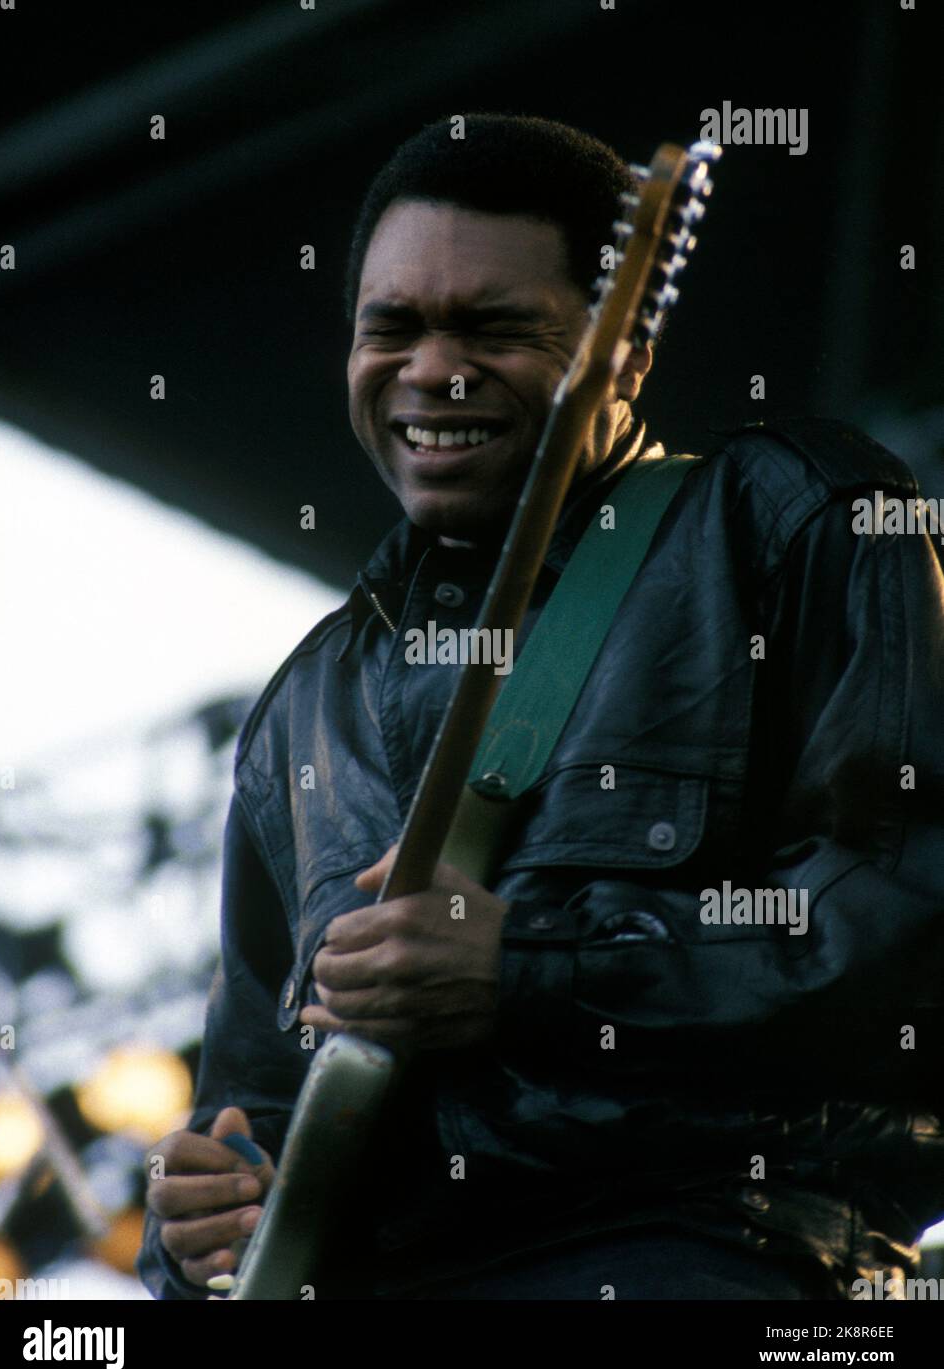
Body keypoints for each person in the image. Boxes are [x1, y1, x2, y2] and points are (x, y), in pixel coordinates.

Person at [137, 114, 944, 1301]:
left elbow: (909, 933)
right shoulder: (303, 708)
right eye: (392, 327)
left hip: (700, 1250)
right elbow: (253, 1100)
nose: (432, 368)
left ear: (623, 349)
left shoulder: (786, 518)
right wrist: (199, 1220)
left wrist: (531, 973)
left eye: (495, 328)